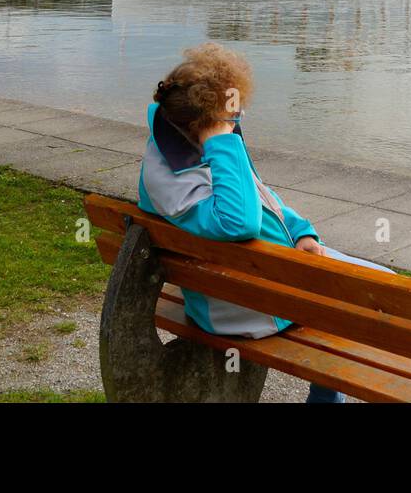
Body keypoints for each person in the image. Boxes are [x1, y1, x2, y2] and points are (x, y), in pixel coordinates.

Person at [138, 42, 391, 403]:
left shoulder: (179, 154)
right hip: (253, 306)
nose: (238, 121)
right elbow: (240, 223)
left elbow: (261, 198)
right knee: (386, 298)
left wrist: (302, 230)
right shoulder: (180, 181)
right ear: (207, 124)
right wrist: (224, 142)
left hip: (253, 282)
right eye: (233, 116)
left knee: (380, 284)